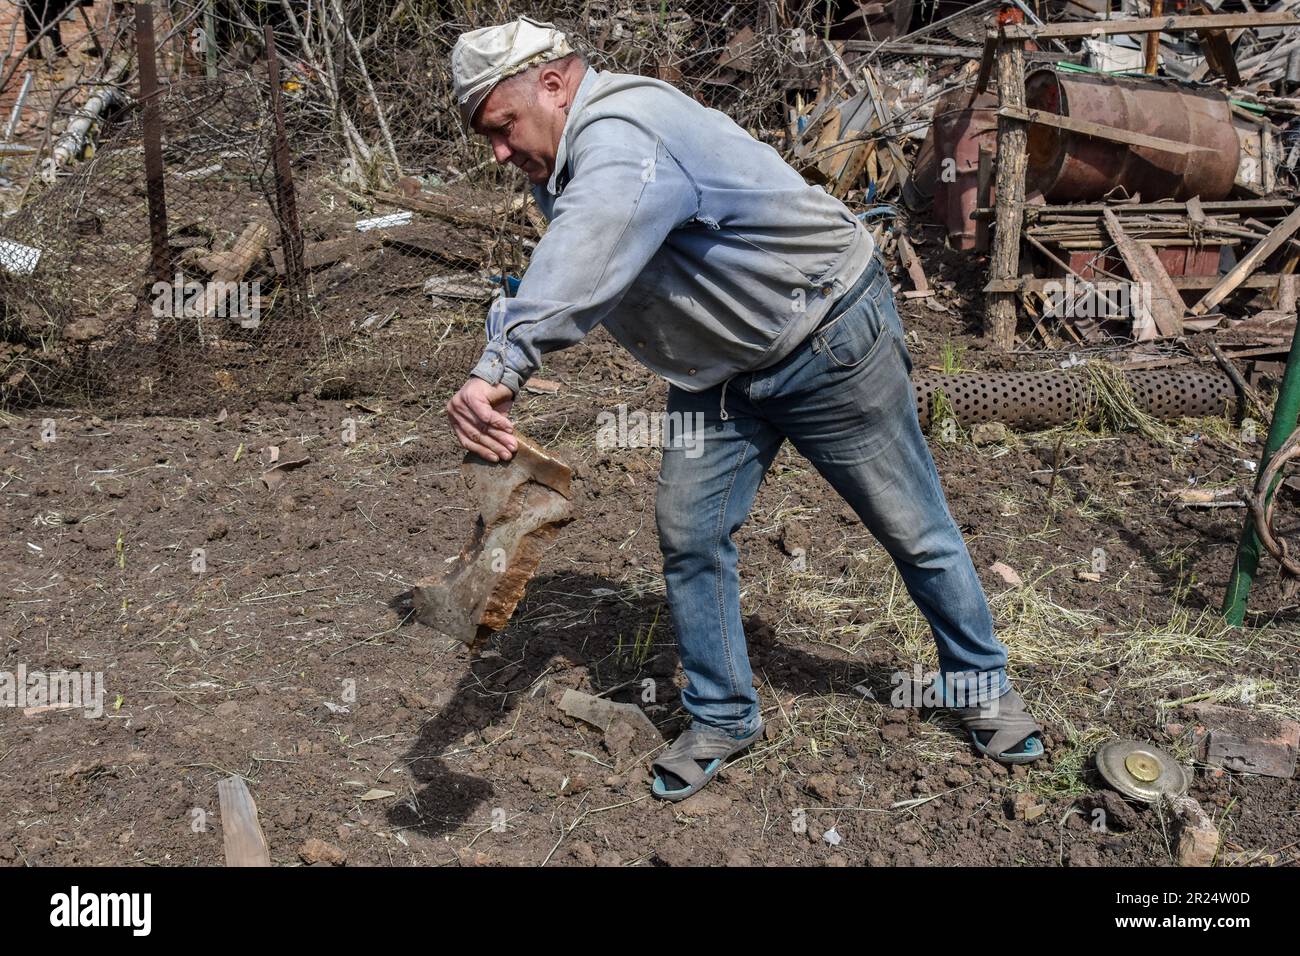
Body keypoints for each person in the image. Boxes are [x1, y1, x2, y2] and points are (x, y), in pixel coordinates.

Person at [444, 16, 1046, 802]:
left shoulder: (625, 132)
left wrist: (504, 363)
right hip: (717, 373)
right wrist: (505, 339)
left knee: (911, 525)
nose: (498, 150)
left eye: (502, 125)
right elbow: (564, 261)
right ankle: (723, 714)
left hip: (827, 338)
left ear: (553, 85)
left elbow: (591, 240)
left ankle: (980, 686)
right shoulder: (563, 159)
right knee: (690, 534)